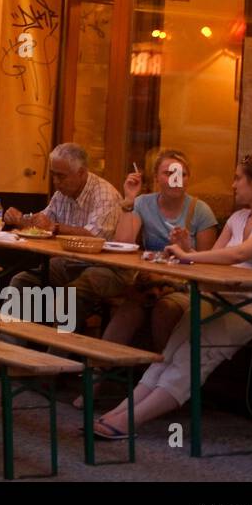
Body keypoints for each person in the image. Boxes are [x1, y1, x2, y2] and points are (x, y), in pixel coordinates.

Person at [94, 156, 252, 440]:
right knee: (166, 356)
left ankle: (130, 420)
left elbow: (237, 255)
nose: (233, 184)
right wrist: (187, 248)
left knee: (189, 360)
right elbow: (213, 260)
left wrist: (189, 255)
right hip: (214, 298)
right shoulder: (238, 218)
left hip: (247, 309)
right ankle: (120, 411)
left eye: (238, 178)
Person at [68, 148, 219, 408]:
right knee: (129, 310)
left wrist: (186, 250)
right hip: (151, 282)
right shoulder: (144, 203)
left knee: (165, 309)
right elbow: (123, 244)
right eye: (168, 173)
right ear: (156, 178)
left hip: (185, 286)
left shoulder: (200, 211)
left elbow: (210, 267)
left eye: (181, 173)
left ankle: (164, 385)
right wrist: (129, 199)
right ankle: (94, 385)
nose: (175, 178)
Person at [0, 142, 123, 336]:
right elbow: (42, 225)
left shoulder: (104, 195)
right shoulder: (61, 194)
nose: (56, 181)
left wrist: (54, 227)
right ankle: (7, 352)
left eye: (61, 176)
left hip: (103, 267)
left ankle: (56, 361)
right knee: (21, 281)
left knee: (68, 296)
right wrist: (19, 220)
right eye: (53, 174)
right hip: (69, 261)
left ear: (81, 173)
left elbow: (95, 237)